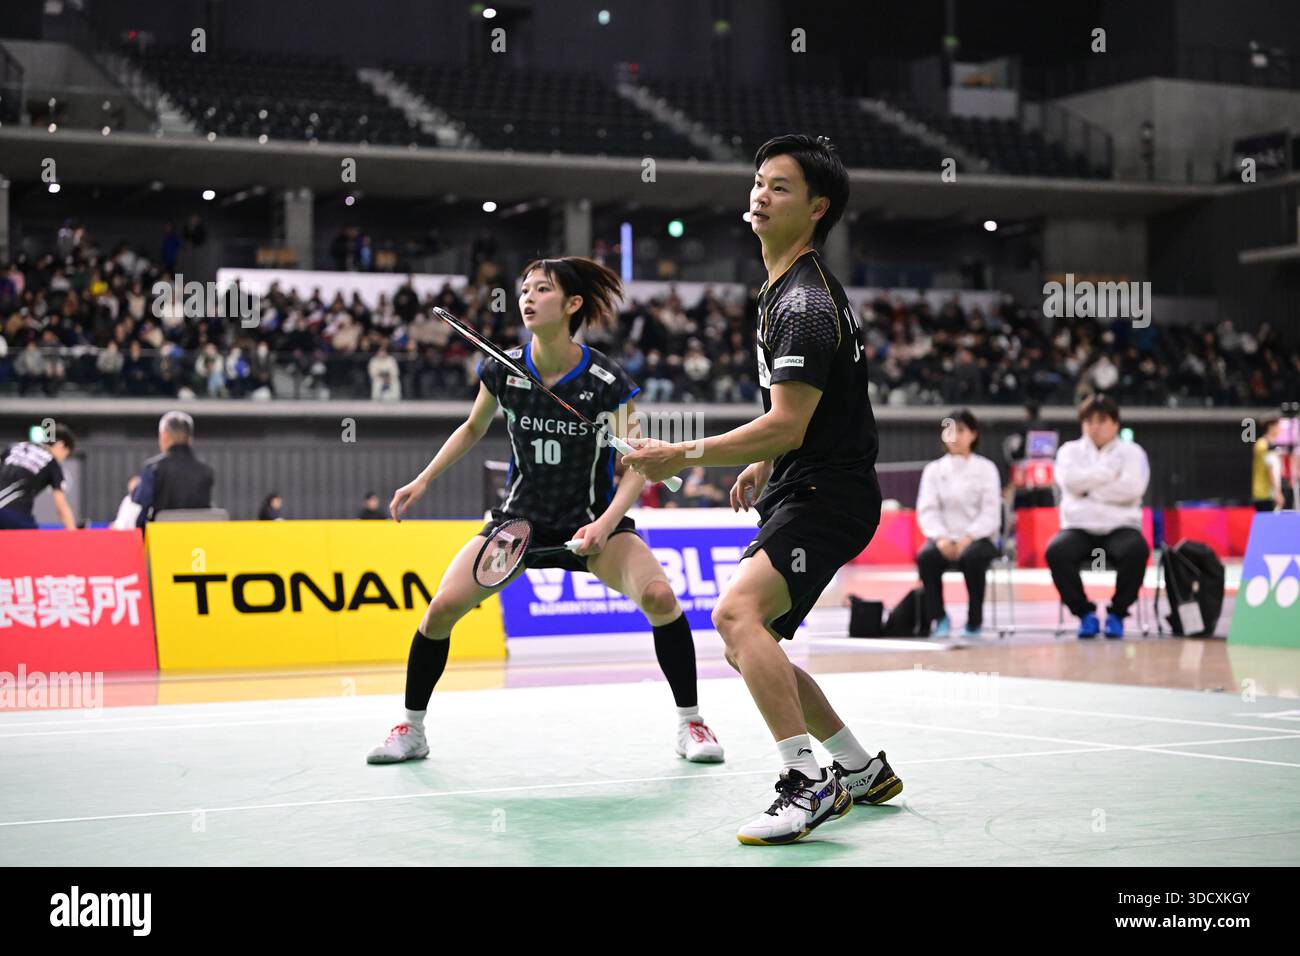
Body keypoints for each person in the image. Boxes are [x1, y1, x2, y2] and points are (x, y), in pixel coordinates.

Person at [624, 133, 902, 846]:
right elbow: (797, 419)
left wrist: (685, 453)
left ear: (816, 209)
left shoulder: (804, 301)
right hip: (806, 483)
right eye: (758, 181)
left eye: (779, 186)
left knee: (735, 616)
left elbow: (788, 421)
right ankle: (858, 768)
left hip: (829, 493)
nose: (759, 193)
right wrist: (766, 464)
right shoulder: (782, 288)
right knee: (756, 640)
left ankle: (806, 783)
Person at [365, 255, 725, 767]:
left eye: (542, 289)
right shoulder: (503, 369)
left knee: (661, 597)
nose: (528, 298)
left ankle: (692, 723)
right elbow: (472, 428)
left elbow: (637, 463)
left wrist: (604, 525)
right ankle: (412, 729)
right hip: (519, 524)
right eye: (525, 288)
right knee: (441, 610)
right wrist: (423, 479)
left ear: (572, 304)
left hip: (593, 522)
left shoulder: (606, 381)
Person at [1046, 395, 1151, 639]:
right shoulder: (1069, 451)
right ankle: (1084, 614)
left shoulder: (1132, 453)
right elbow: (1069, 483)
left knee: (1137, 550)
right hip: (1079, 526)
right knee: (1056, 551)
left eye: (1102, 420)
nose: (1095, 426)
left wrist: (1087, 489)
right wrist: (1108, 477)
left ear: (1115, 424)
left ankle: (1118, 613)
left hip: (1121, 526)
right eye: (1089, 421)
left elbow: (1133, 488)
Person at [915, 409, 1002, 638]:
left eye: (961, 430)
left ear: (973, 434)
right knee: (926, 557)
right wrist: (941, 537)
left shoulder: (986, 469)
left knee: (973, 558)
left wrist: (968, 537)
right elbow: (927, 510)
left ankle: (974, 622)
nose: (954, 436)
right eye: (949, 430)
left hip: (979, 538)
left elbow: (990, 513)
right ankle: (939, 618)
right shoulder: (933, 470)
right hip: (944, 537)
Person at [132, 411, 216, 526]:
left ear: (165, 435)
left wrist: (135, 489)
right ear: (190, 439)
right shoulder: (206, 471)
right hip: (195, 539)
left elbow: (143, 503)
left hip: (161, 538)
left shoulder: (153, 468)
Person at [0, 423, 77, 530]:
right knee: (36, 544)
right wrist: (74, 535)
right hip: (15, 516)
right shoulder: (52, 463)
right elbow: (62, 507)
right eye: (66, 454)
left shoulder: (16, 447)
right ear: (61, 445)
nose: (63, 459)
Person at [1252, 418, 1285, 512]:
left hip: (1270, 494)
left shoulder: (1273, 446)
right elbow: (1269, 469)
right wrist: (1277, 493)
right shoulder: (1263, 445)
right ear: (1271, 427)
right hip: (1264, 494)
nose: (1280, 429)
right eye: (1278, 426)